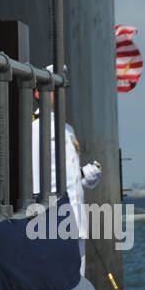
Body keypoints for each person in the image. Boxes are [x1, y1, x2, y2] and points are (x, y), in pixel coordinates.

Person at [31, 72, 101, 276]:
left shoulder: (67, 128)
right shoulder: (36, 128)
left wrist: (87, 176)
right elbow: (36, 176)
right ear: (38, 93)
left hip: (76, 220)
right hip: (53, 220)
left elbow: (69, 176)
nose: (59, 94)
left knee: (76, 283)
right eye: (54, 89)